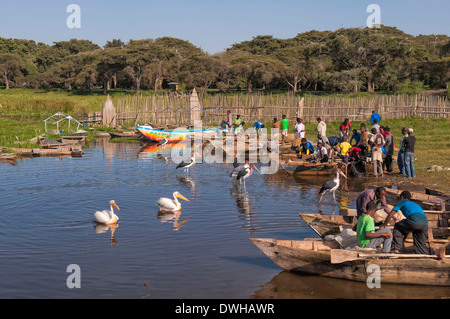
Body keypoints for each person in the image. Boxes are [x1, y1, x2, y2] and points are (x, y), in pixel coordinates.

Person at [381, 190, 429, 255]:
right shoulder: (415, 204)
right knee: (420, 244)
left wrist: (384, 224)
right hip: (425, 223)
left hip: (414, 221)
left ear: (402, 197)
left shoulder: (401, 201)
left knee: (398, 226)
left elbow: (391, 214)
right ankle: (424, 257)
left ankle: (396, 249)